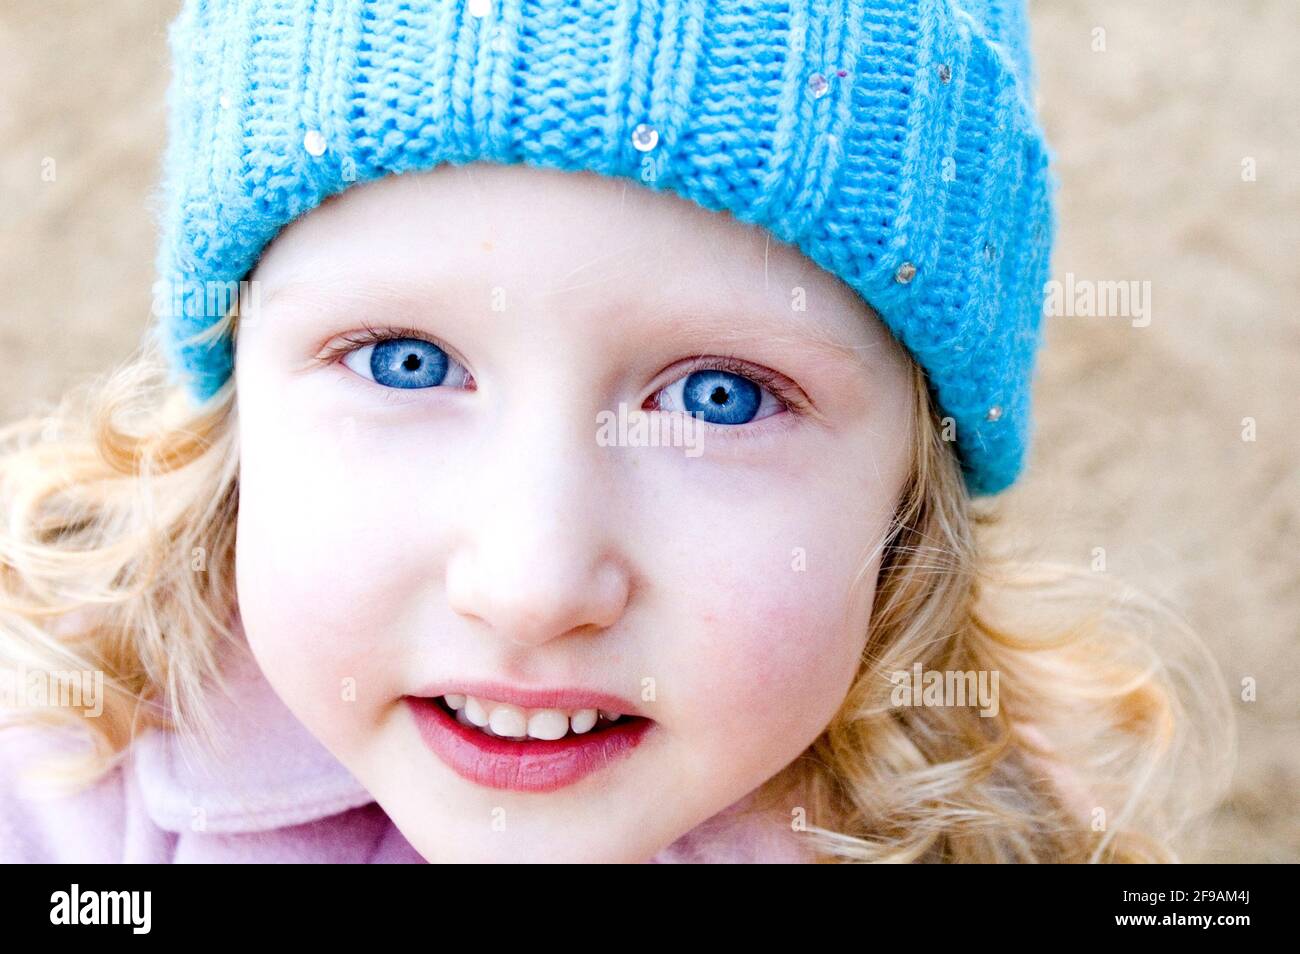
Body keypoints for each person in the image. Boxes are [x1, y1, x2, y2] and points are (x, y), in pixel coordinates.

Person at [0, 0, 1233, 863]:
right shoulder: (54, 774)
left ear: (914, 496)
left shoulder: (983, 831)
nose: (533, 584)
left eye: (719, 398)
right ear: (235, 404)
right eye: (404, 362)